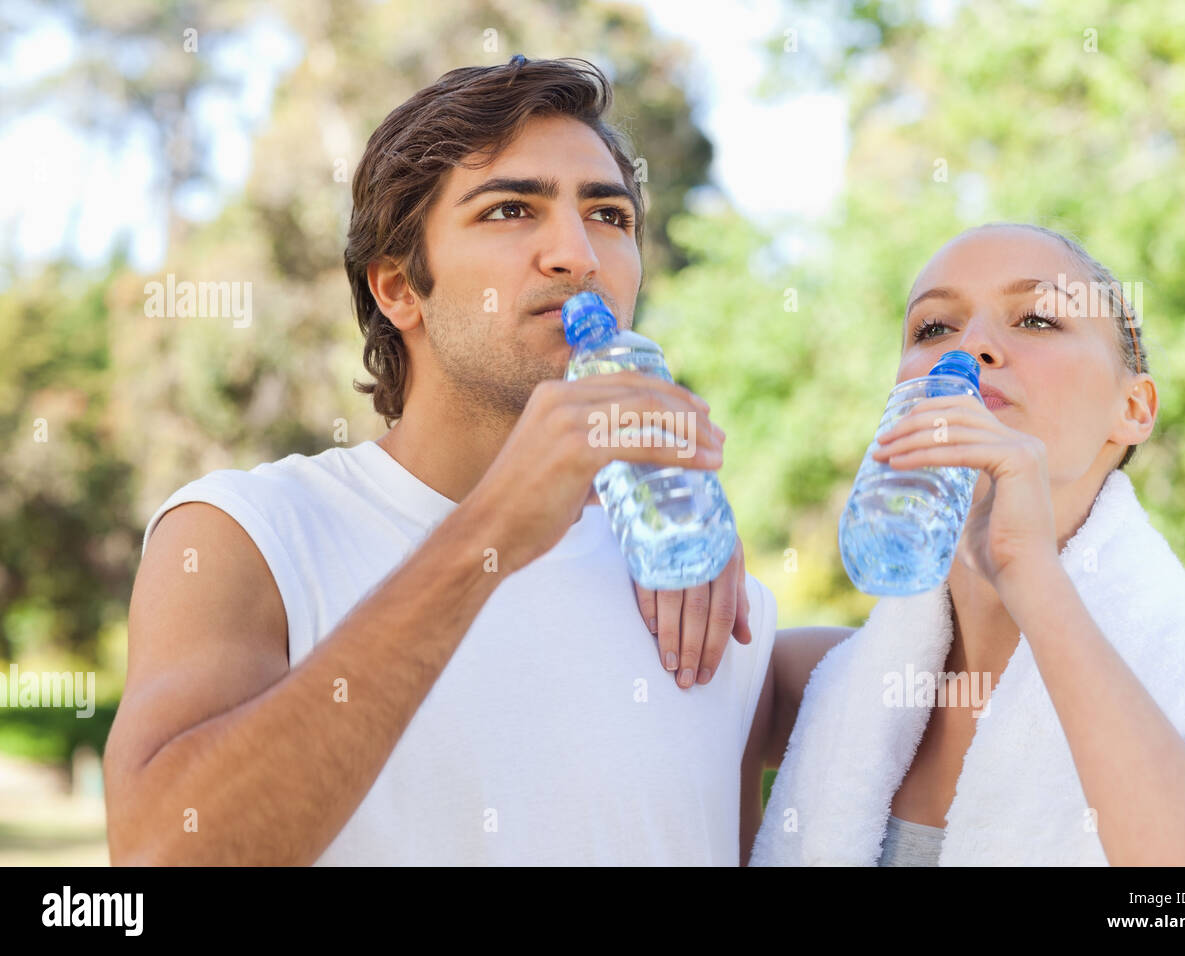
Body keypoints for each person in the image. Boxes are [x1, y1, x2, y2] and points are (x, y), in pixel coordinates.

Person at [103, 55, 777, 866]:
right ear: (398, 290)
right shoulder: (245, 537)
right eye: (509, 209)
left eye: (609, 215)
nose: (577, 254)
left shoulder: (706, 596)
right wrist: (489, 535)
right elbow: (155, 858)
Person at [741, 222, 1185, 866]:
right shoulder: (807, 681)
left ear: (1135, 408)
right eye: (933, 329)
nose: (971, 347)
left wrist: (1034, 580)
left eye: (1035, 319)